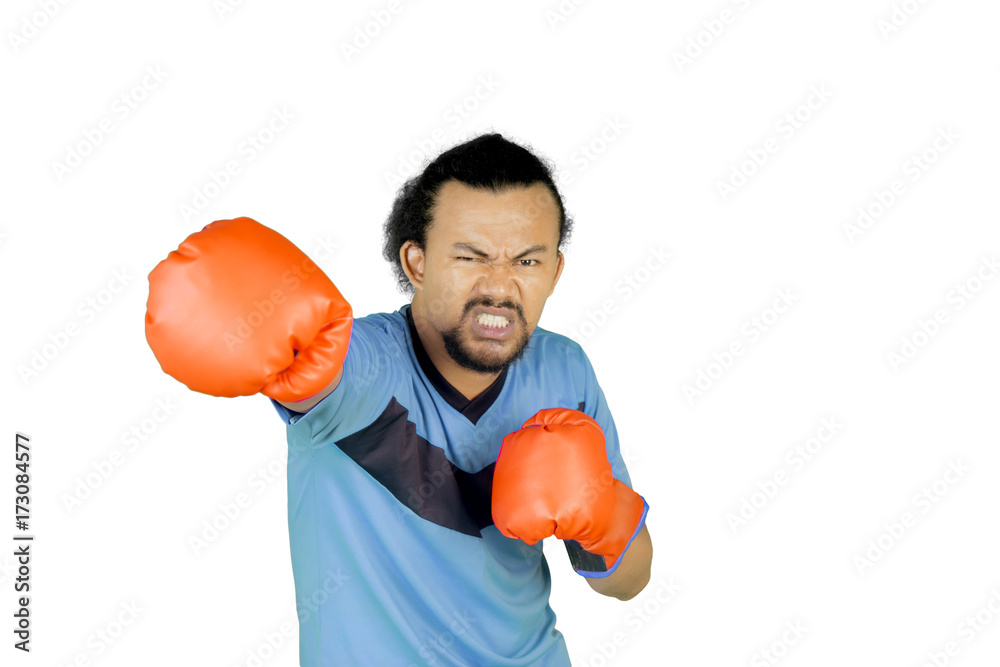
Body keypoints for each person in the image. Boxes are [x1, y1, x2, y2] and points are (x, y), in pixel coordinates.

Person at [145, 132, 652, 666]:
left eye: (527, 262)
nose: (500, 288)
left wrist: (602, 516)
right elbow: (327, 374)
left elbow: (629, 582)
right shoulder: (367, 362)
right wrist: (260, 316)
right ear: (416, 263)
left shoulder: (564, 369)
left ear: (555, 272)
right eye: (469, 257)